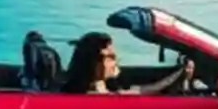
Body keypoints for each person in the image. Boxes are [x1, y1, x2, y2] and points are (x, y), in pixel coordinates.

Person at [61, 31, 193, 95]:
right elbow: (140, 92)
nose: (116, 61)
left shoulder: (101, 89)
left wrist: (180, 75)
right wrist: (180, 76)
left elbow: (140, 90)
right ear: (94, 63)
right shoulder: (93, 96)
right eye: (111, 58)